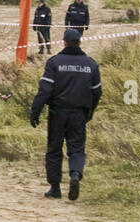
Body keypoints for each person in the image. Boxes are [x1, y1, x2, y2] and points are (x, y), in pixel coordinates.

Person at [30, 28, 101, 200]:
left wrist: (35, 111)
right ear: (80, 42)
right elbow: (97, 92)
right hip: (79, 113)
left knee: (54, 149)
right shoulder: (91, 64)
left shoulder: (55, 62)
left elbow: (45, 90)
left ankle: (55, 188)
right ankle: (75, 174)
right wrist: (89, 112)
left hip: (57, 113)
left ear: (64, 42)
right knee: (76, 149)